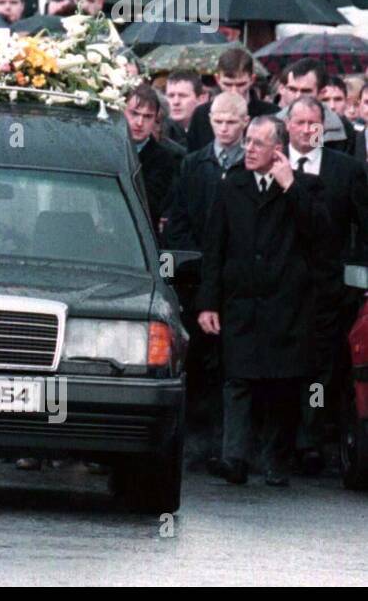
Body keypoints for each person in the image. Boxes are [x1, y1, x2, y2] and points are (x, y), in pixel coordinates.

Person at [199, 115, 330, 487]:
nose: (249, 148)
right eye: (248, 141)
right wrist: (208, 302)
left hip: (287, 306)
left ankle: (275, 460)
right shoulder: (232, 186)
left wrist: (291, 188)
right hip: (241, 302)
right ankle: (234, 458)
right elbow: (214, 248)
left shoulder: (306, 186)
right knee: (237, 380)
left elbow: (320, 235)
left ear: (278, 148)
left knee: (280, 386)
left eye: (258, 143)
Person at [163, 91, 247, 469]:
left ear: (244, 122)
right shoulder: (193, 164)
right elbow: (176, 218)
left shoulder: (252, 165)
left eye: (232, 122)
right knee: (196, 362)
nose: (225, 129)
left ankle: (229, 446)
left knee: (234, 367)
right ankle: (197, 442)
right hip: (197, 278)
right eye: (218, 121)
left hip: (238, 281)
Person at [286, 96, 368, 473]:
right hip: (275, 290)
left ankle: (310, 440)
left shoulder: (347, 171)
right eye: (299, 122)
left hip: (326, 292)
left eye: (313, 123)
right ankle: (269, 441)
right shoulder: (269, 162)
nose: (307, 130)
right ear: (287, 125)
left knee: (319, 372)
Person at [186, 47, 278, 151]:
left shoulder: (272, 114)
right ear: (218, 79)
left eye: (241, 84)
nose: (234, 91)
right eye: (228, 84)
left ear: (252, 80)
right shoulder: (201, 114)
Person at [125, 83, 181, 236]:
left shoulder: (165, 159)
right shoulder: (107, 148)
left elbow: (149, 205)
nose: (139, 122)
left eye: (147, 116)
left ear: (156, 119)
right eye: (134, 114)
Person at [163, 69, 205, 149]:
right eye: (171, 96)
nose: (176, 102)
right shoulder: (158, 134)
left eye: (182, 96)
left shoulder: (209, 133)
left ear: (200, 99)